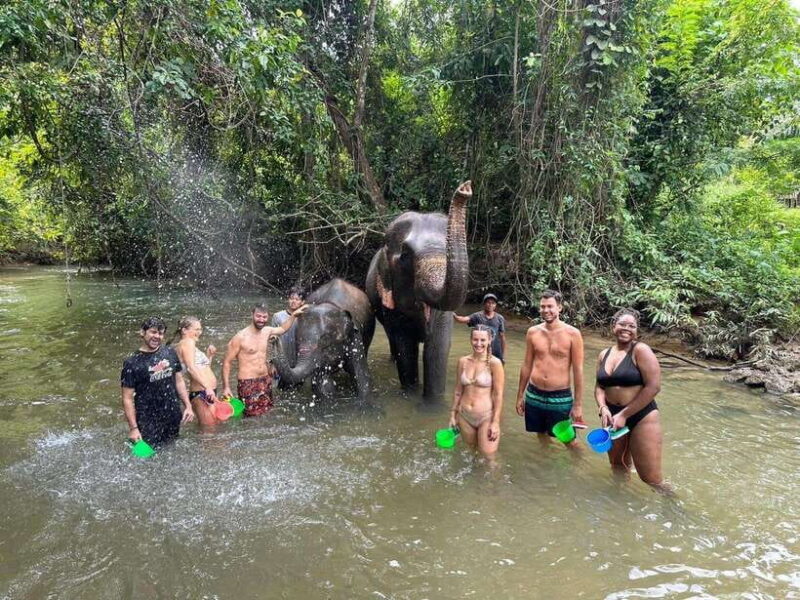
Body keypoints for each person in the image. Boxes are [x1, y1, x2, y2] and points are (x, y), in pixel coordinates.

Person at [595, 308, 665, 489]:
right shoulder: (604, 354)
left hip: (641, 416)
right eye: (622, 324)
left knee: (652, 479)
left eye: (632, 326)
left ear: (636, 331)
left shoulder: (641, 350)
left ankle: (672, 504)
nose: (626, 329)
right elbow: (599, 387)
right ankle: (622, 502)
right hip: (612, 416)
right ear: (613, 326)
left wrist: (624, 414)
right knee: (618, 467)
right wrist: (603, 407)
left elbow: (654, 386)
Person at [515, 290, 585, 446]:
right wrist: (520, 396)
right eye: (542, 306)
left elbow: (578, 371)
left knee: (570, 441)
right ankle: (545, 459)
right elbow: (526, 365)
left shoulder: (573, 334)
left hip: (560, 397)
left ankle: (576, 461)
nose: (546, 310)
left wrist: (578, 405)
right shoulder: (533, 332)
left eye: (550, 306)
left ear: (559, 307)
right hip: (534, 394)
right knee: (541, 434)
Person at [221, 302, 306, 417]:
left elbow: (282, 328)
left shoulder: (267, 331)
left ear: (268, 317)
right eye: (258, 316)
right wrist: (226, 387)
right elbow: (227, 362)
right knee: (250, 416)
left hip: (265, 380)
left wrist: (294, 315)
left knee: (267, 412)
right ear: (252, 315)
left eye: (264, 317)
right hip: (248, 383)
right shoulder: (240, 337)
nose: (261, 320)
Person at [121, 317, 195, 447]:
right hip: (147, 420)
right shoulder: (132, 363)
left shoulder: (170, 352)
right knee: (149, 455)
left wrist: (188, 406)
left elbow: (179, 381)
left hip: (172, 414)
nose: (157, 336)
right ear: (142, 332)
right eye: (153, 332)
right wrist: (133, 428)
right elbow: (127, 398)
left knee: (171, 449)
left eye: (160, 333)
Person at [447, 325, 505, 458]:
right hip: (465, 416)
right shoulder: (463, 361)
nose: (478, 344)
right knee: (471, 454)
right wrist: (453, 414)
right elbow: (458, 390)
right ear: (470, 340)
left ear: (489, 340)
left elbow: (498, 395)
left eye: (483, 340)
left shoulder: (495, 363)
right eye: (475, 339)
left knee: (489, 458)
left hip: (486, 417)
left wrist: (495, 422)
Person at [172, 316, 221, 426]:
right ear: (184, 330)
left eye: (200, 329)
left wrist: (209, 356)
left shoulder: (188, 344)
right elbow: (191, 368)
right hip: (202, 392)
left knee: (213, 427)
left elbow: (201, 369)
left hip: (207, 391)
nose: (199, 332)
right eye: (196, 329)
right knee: (209, 430)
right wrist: (207, 388)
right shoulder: (187, 342)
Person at [453, 293, 507, 362]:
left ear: (495, 305)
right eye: (488, 302)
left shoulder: (500, 318)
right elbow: (463, 319)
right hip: (481, 350)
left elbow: (502, 337)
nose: (490, 305)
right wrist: (454, 315)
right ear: (484, 304)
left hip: (496, 351)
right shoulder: (477, 316)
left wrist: (503, 355)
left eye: (493, 303)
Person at [271, 287, 304, 386]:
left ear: (302, 302)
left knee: (299, 389)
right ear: (287, 299)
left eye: (297, 299)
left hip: (300, 363)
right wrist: (273, 363)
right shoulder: (277, 316)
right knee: (281, 389)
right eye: (291, 298)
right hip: (282, 361)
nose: (293, 301)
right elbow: (272, 342)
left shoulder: (305, 317)